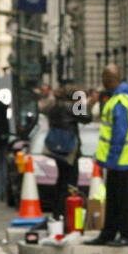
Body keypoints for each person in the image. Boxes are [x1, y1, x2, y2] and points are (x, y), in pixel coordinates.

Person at [88, 65, 128, 247]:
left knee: (123, 200)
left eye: (103, 77)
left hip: (121, 161)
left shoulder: (120, 101)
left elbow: (119, 135)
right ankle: (108, 233)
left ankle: (125, 235)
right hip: (118, 161)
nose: (102, 81)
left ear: (109, 79)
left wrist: (112, 160)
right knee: (114, 199)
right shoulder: (116, 98)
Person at [41, 85, 81, 225]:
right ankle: (65, 216)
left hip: (56, 149)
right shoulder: (70, 108)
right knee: (70, 183)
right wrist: (79, 98)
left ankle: (57, 214)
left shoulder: (54, 107)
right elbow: (86, 117)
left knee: (61, 181)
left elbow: (43, 109)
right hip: (69, 150)